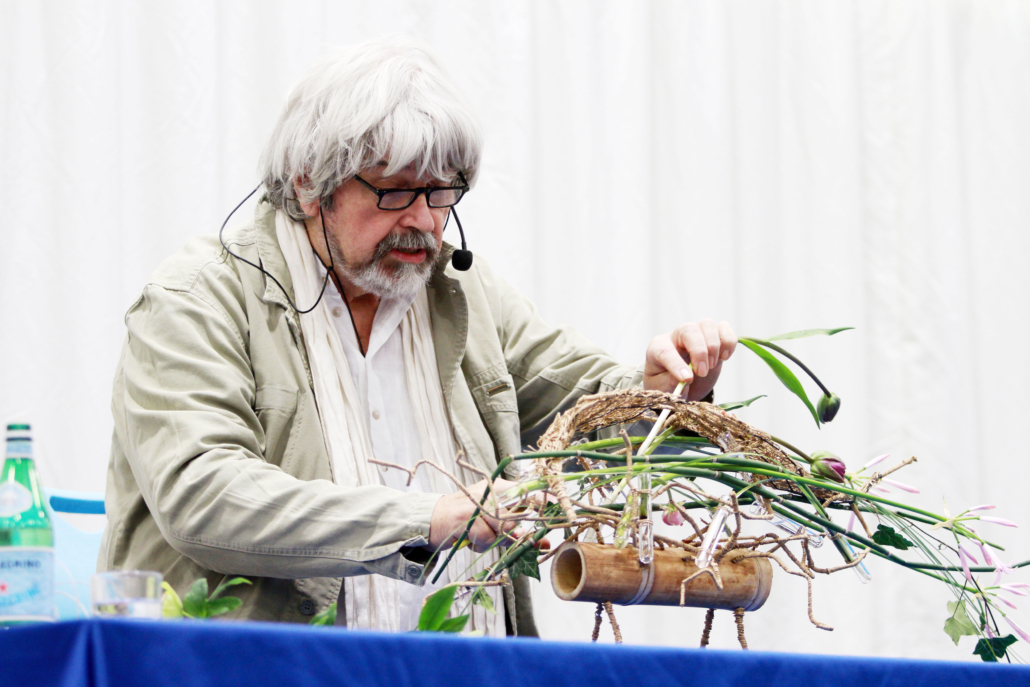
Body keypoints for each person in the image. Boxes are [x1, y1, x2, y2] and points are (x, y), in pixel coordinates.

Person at [99, 37, 737, 636]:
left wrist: (664, 392)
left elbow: (587, 415)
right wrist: (427, 520)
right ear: (308, 183)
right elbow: (204, 495)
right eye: (396, 190)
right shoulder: (197, 298)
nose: (425, 220)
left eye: (441, 191)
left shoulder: (460, 290)